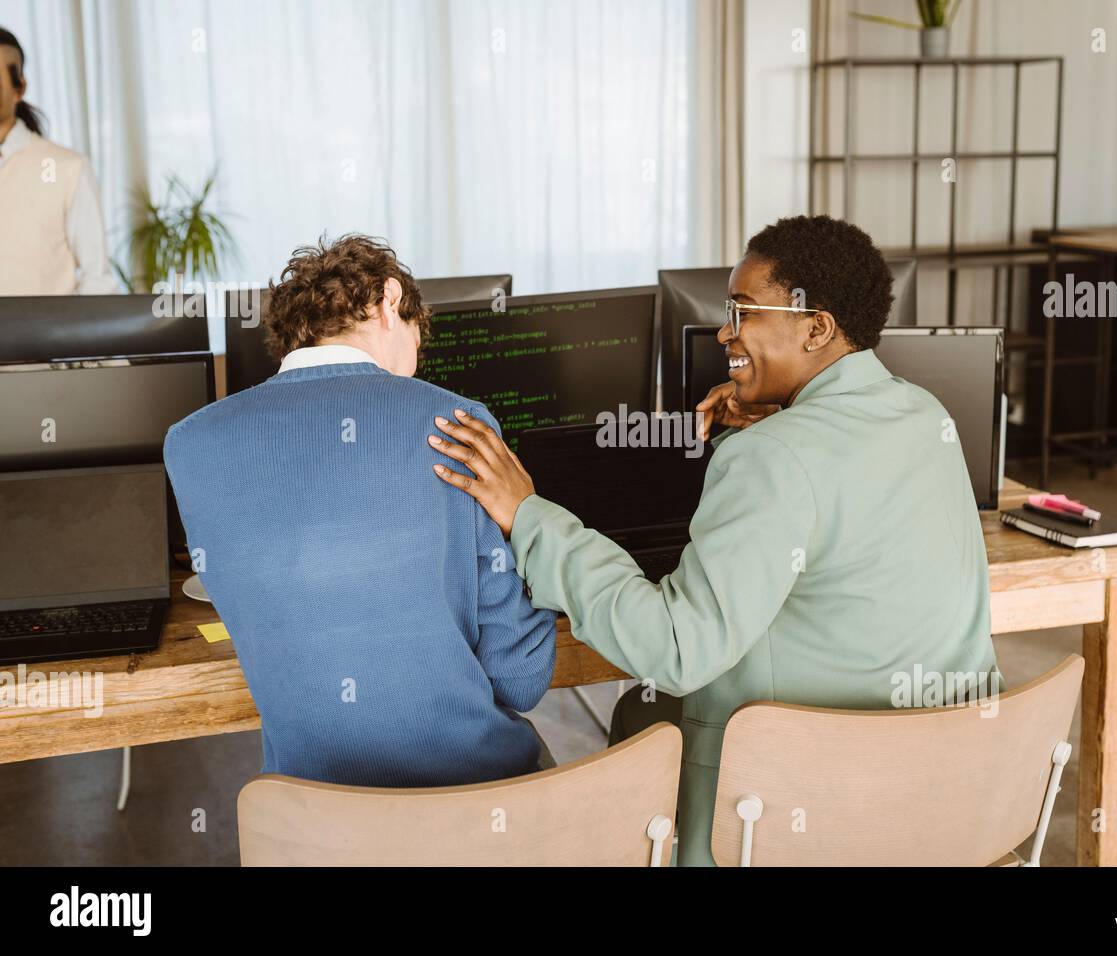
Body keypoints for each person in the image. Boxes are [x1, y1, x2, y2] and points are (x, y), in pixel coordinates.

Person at [426, 215, 999, 865]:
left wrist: (528, 514)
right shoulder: (927, 414)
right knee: (643, 716)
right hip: (936, 801)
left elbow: (675, 650)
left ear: (816, 327)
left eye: (743, 311)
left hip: (788, 814)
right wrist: (774, 423)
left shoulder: (776, 457)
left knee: (640, 714)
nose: (726, 331)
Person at [165, 235, 557, 787]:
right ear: (390, 301)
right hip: (469, 800)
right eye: (420, 339)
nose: (417, 366)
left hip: (310, 812)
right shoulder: (458, 426)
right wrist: (529, 519)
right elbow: (520, 679)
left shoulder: (190, 443)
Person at [0, 28, 116, 295]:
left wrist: (67, 334)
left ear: (19, 87)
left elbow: (98, 280)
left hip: (42, 335)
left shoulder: (68, 169)